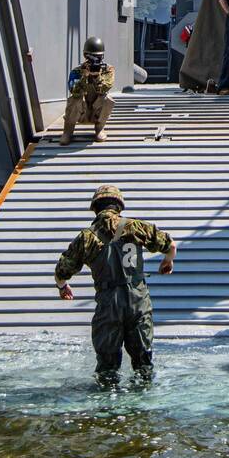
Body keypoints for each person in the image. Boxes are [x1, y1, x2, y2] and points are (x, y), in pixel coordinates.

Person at [55, 183, 177, 384]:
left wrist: (62, 287)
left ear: (95, 208)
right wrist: (167, 261)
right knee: (143, 365)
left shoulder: (86, 237)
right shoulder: (136, 227)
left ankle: (107, 412)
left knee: (107, 369)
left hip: (108, 303)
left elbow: (61, 272)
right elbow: (171, 245)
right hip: (138, 301)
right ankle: (142, 411)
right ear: (119, 206)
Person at [60, 35, 114, 144]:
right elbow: (73, 91)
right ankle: (67, 132)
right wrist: (84, 76)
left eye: (98, 57)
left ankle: (99, 129)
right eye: (92, 57)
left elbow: (105, 88)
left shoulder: (107, 70)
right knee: (75, 99)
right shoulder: (77, 71)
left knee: (107, 99)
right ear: (85, 56)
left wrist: (97, 76)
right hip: (81, 111)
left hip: (96, 110)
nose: (95, 60)